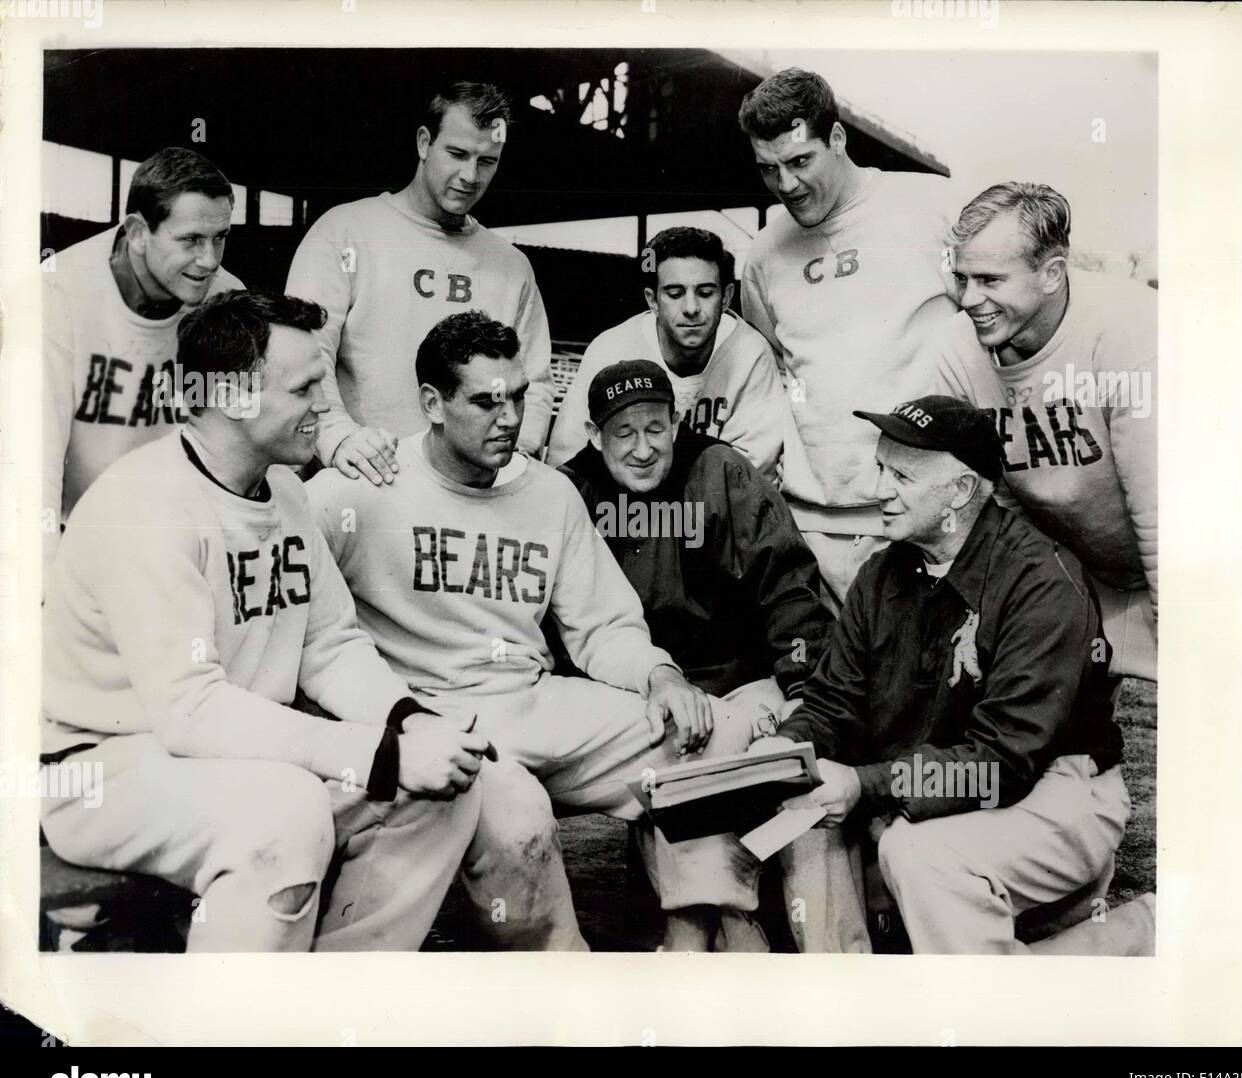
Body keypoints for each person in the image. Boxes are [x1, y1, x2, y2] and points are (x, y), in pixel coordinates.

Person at [40, 290, 514, 952]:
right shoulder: (145, 505)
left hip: (236, 754)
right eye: (305, 388)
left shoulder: (286, 491)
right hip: (102, 765)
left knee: (445, 791)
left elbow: (329, 644)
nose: (325, 405)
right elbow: (190, 711)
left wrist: (412, 722)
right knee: (285, 812)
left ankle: (336, 1000)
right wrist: (379, 755)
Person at [306, 311, 763, 952]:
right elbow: (299, 621)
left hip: (530, 699)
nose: (510, 418)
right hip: (435, 722)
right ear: (432, 403)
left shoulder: (548, 493)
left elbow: (603, 625)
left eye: (517, 397)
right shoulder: (359, 490)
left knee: (718, 731)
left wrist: (659, 674)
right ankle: (560, 973)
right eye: (486, 402)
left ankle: (687, 945)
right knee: (521, 820)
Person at [756, 395, 1130, 954]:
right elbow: (833, 703)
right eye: (881, 467)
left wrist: (865, 784)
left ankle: (1117, 943)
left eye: (901, 475)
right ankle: (842, 996)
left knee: (917, 854)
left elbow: (999, 765)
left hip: (1056, 788)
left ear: (959, 492)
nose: (879, 488)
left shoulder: (1041, 583)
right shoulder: (883, 572)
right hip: (939, 778)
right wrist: (784, 754)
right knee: (802, 808)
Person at [558, 359, 868, 952]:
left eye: (655, 428)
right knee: (679, 754)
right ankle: (726, 931)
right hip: (639, 693)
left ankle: (829, 960)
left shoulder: (721, 470)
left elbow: (788, 587)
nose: (644, 448)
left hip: (745, 679)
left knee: (793, 771)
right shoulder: (572, 492)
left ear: (675, 424)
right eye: (623, 432)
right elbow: (566, 623)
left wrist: (805, 689)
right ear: (595, 436)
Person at [737, 67, 961, 603]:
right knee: (825, 682)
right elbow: (775, 363)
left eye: (800, 162)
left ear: (836, 139)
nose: (786, 185)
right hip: (812, 525)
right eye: (769, 170)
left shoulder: (933, 208)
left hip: (921, 518)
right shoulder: (765, 252)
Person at [927, 182, 1157, 680]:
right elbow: (994, 508)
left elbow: (1162, 512)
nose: (969, 299)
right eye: (961, 278)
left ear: (1051, 273)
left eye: (990, 280)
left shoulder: (1127, 328)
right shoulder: (954, 349)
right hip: (1081, 570)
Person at [286, 80, 554, 485]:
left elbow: (533, 382)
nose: (470, 176)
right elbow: (303, 352)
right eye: (457, 154)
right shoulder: (346, 232)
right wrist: (339, 439)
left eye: (487, 161)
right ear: (424, 142)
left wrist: (516, 460)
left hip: (470, 497)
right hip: (364, 483)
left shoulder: (511, 265)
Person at [43, 146, 244, 576]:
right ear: (136, 232)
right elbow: (34, 461)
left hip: (189, 544)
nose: (209, 260)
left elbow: (243, 439)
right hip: (80, 540)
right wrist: (46, 589)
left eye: (221, 237)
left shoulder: (226, 297)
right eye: (190, 239)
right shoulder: (59, 292)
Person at [545, 226, 786, 477]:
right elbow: (566, 462)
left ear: (726, 298)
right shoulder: (611, 349)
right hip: (620, 508)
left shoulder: (750, 353)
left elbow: (744, 478)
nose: (691, 308)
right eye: (674, 294)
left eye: (705, 293)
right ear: (653, 301)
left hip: (711, 512)